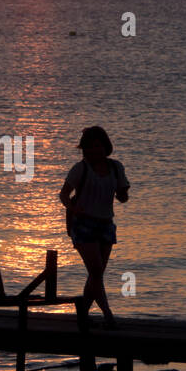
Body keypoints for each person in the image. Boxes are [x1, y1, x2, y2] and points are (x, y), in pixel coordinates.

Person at [59, 125, 130, 327]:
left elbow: (123, 196)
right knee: (96, 270)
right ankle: (108, 314)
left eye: (97, 146)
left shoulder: (116, 168)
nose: (92, 151)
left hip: (106, 224)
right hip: (82, 224)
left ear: (105, 146)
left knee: (95, 274)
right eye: (88, 147)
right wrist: (72, 207)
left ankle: (82, 314)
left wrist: (123, 195)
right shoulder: (80, 169)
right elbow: (63, 194)